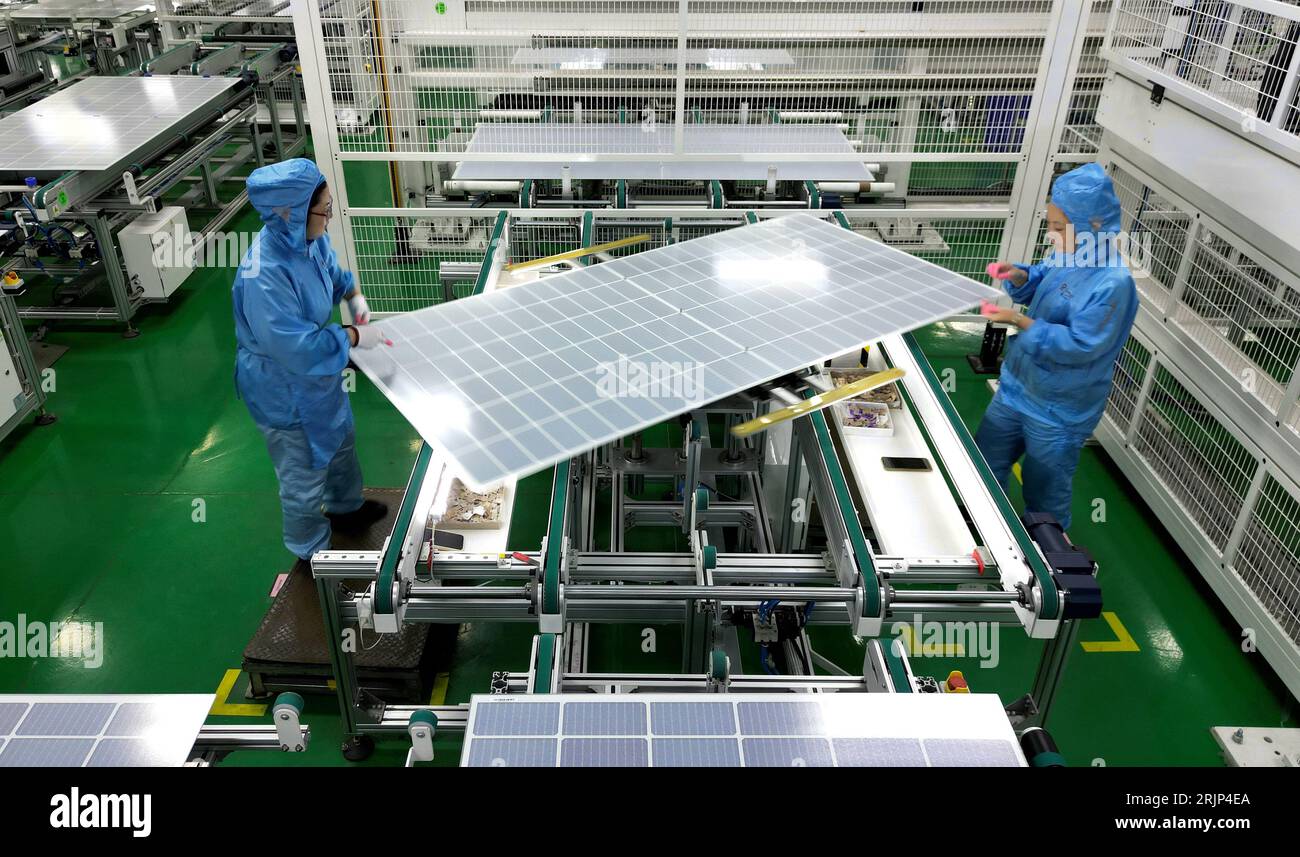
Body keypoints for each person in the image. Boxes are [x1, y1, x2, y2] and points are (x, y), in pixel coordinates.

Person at [232, 158, 393, 561]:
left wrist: (352, 294)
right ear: (293, 214)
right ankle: (311, 554)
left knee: (340, 441)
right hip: (283, 387)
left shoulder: (307, 237)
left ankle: (346, 509)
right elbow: (297, 348)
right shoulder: (262, 274)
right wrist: (353, 336)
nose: (329, 218)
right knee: (302, 474)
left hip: (318, 379)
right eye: (324, 210)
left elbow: (332, 271)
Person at [975, 162, 1138, 530]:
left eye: (1058, 226)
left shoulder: (1114, 284)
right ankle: (986, 530)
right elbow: (1044, 279)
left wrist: (1019, 321)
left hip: (1059, 409)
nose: (1051, 234)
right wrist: (1017, 274)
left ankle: (1047, 563)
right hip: (1017, 388)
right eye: (1049, 224)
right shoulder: (1069, 254)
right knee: (983, 461)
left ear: (1092, 226)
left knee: (1043, 491)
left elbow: (1081, 346)